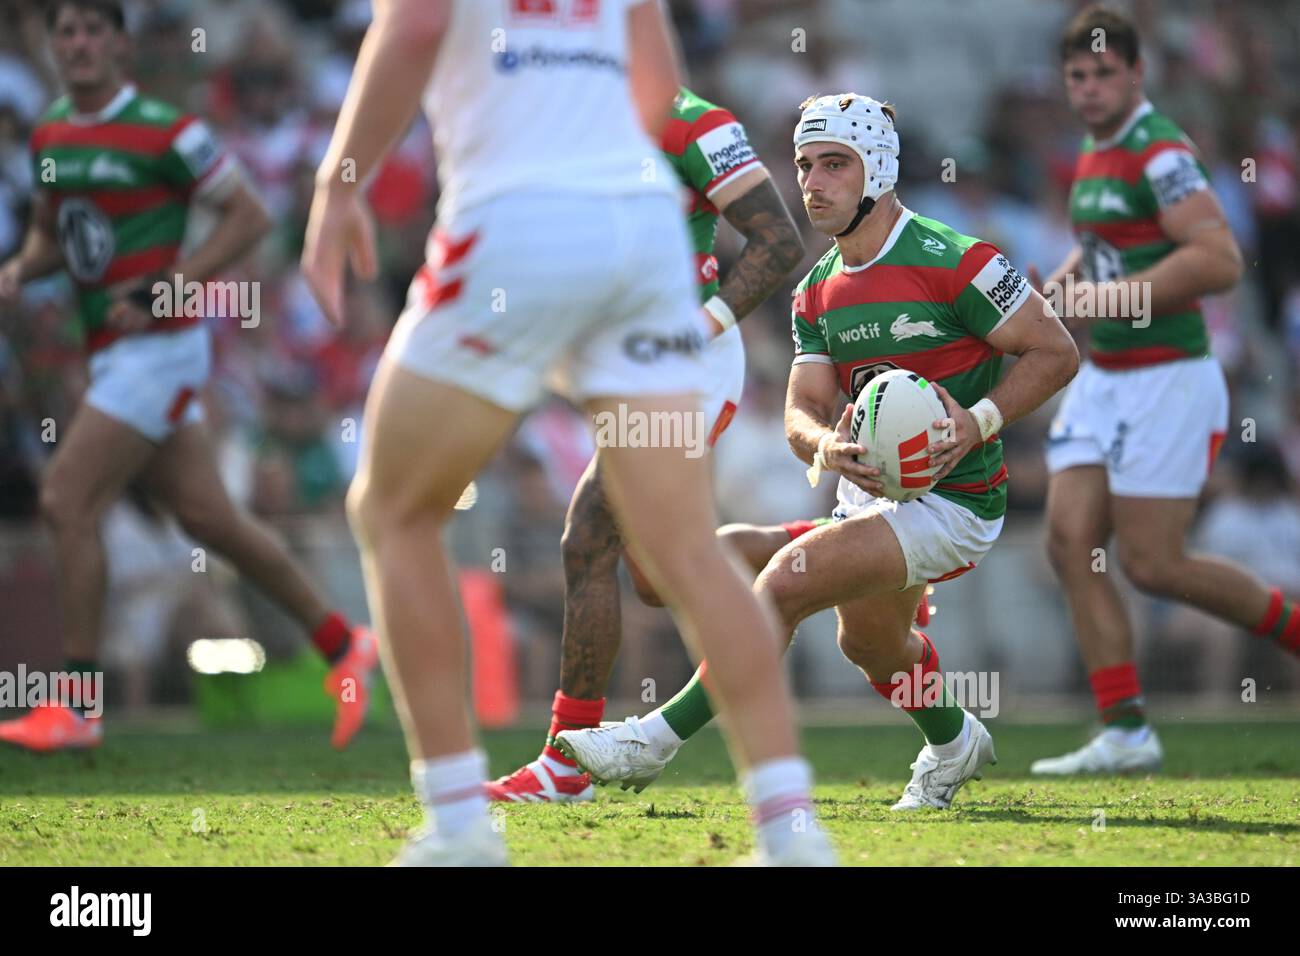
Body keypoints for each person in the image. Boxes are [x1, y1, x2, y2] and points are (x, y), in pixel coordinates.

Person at [301, 0, 834, 866]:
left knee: (395, 511)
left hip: (519, 219)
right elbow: (657, 82)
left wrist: (340, 182)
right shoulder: (673, 105)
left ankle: (461, 827)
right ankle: (791, 834)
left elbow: (415, 27)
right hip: (637, 233)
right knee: (684, 555)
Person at [558, 92, 1078, 811]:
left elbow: (1056, 351)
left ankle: (652, 740)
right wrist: (828, 445)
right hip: (868, 497)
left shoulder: (961, 261)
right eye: (804, 165)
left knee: (785, 578)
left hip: (955, 502)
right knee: (863, 641)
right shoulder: (815, 292)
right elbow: (800, 410)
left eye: (835, 164)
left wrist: (977, 420)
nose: (813, 183)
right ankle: (955, 740)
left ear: (880, 170)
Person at [0, 0, 376, 754]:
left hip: (163, 350)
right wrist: (17, 270)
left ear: (117, 45)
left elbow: (250, 217)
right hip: (109, 351)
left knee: (65, 496)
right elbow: (54, 232)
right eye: (63, 31)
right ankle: (344, 643)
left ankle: (77, 704)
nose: (75, 43)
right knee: (210, 519)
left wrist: (171, 282)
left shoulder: (168, 131)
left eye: (90, 30)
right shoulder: (50, 133)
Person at [486, 86, 805, 804]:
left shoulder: (694, 122)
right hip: (629, 363)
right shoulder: (567, 118)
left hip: (687, 365)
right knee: (661, 575)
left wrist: (704, 325)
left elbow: (779, 239)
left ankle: (568, 765)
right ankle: (830, 549)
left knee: (588, 536)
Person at [1032, 6, 1298, 776]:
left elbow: (1217, 259)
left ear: (1137, 74)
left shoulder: (1158, 149)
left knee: (1153, 565)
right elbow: (1101, 252)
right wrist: (1056, 289)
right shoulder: (1094, 150)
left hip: (1167, 379)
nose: (1088, 88)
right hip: (1105, 379)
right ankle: (1124, 730)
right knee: (1068, 540)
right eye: (1077, 76)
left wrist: (1110, 301)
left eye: (1103, 73)